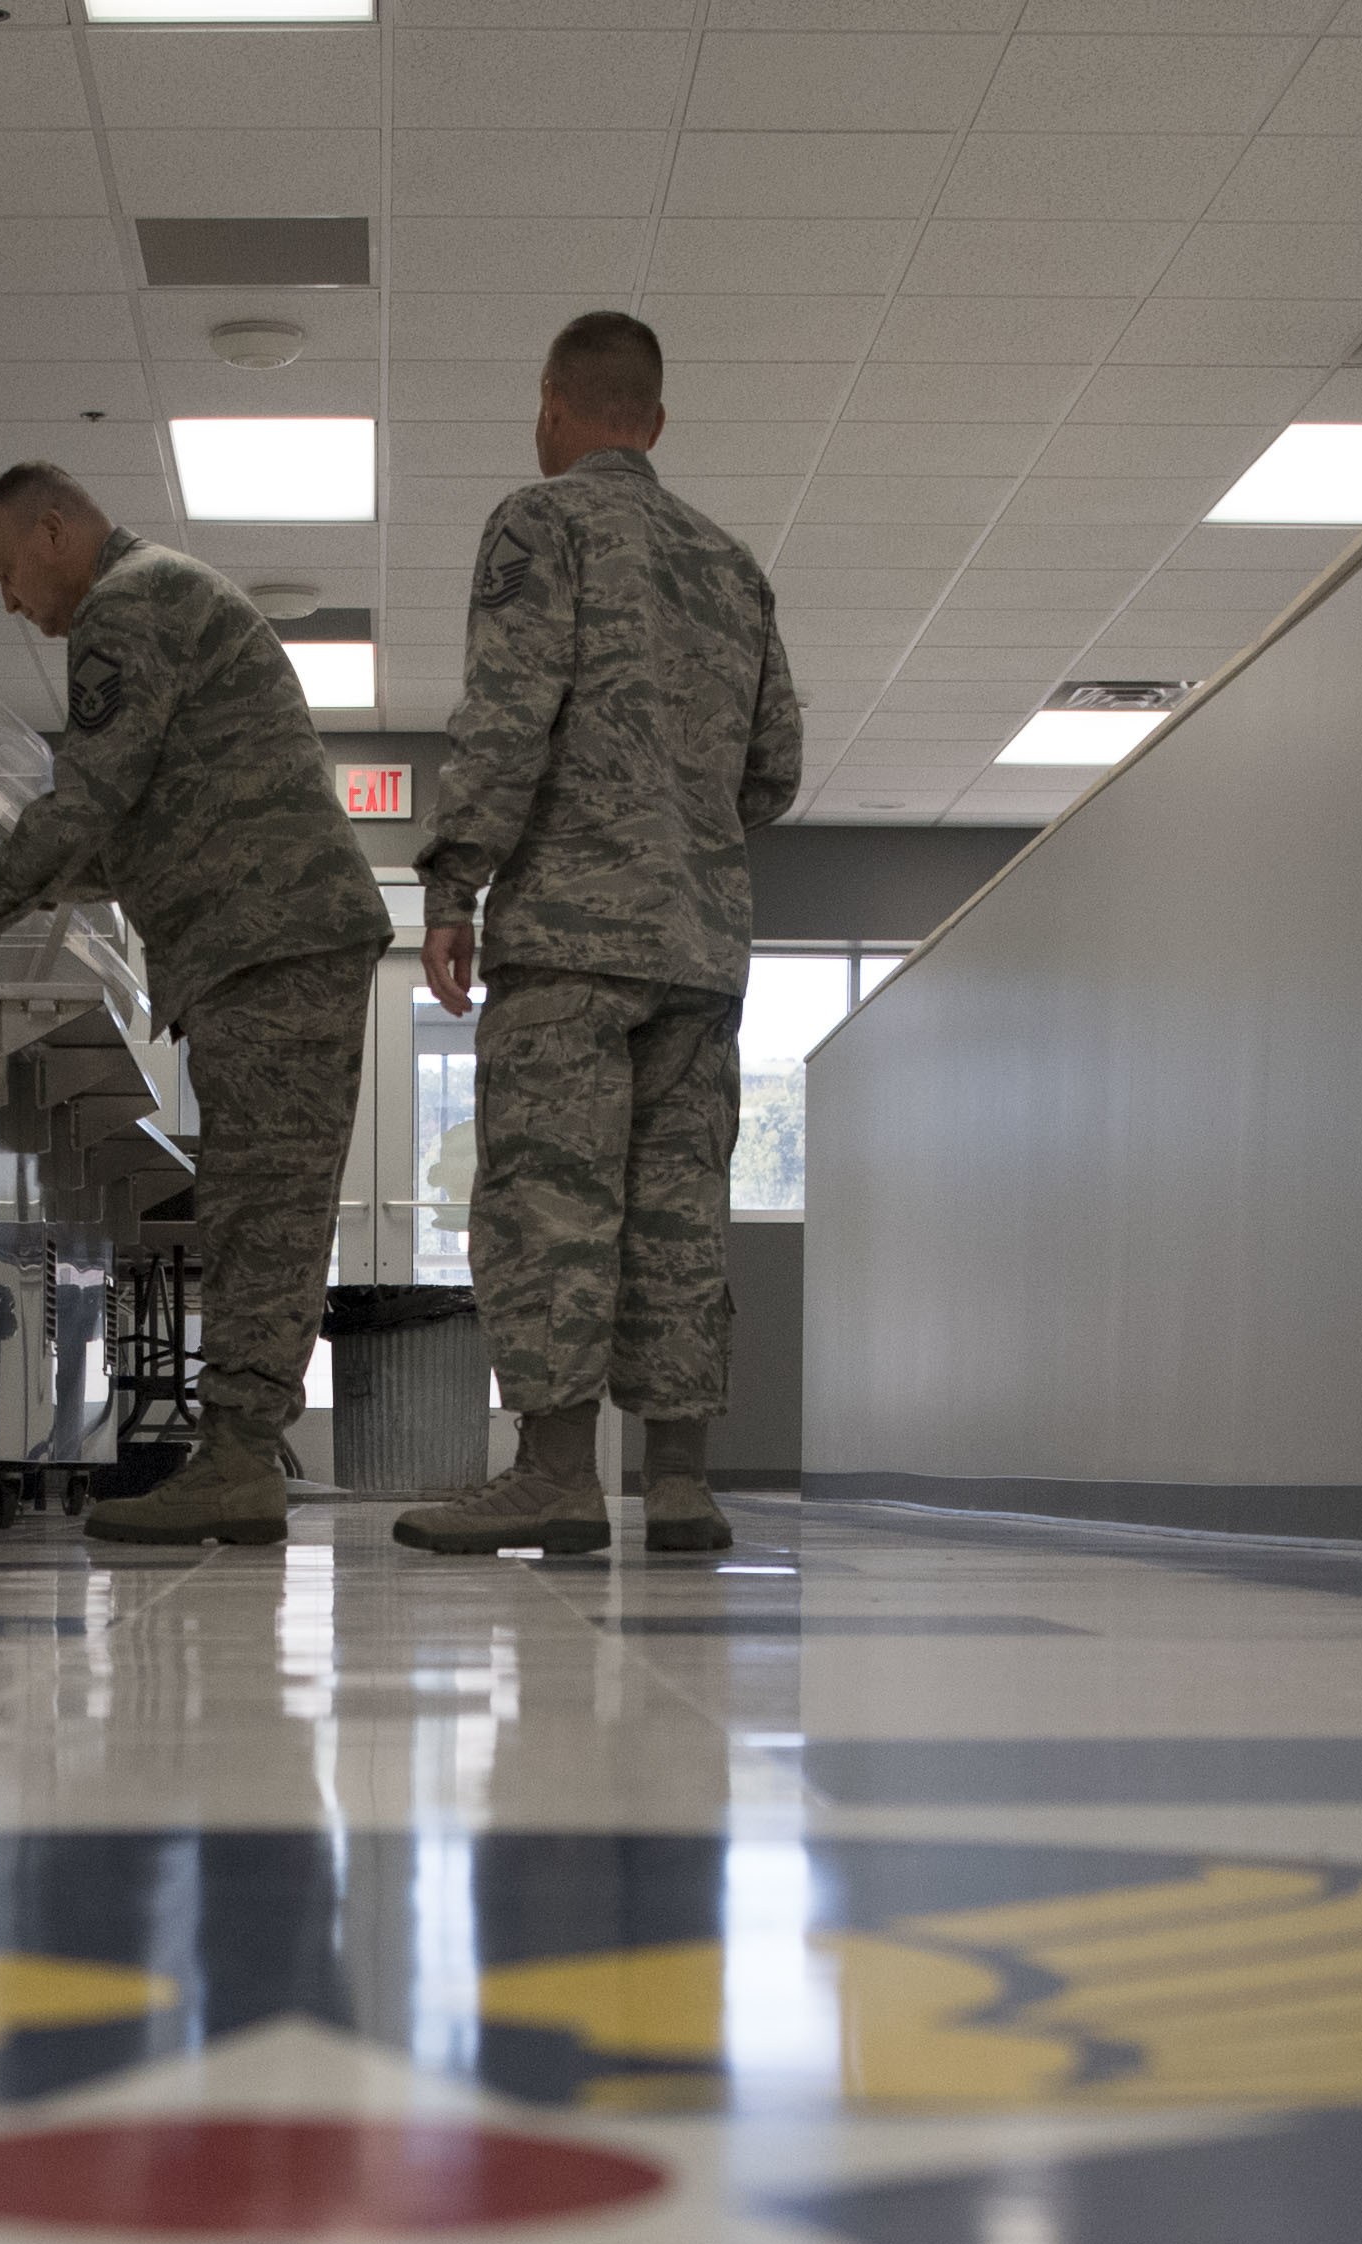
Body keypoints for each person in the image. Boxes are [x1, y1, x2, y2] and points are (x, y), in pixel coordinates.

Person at [0, 462, 392, 1549]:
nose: (7, 601)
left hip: (269, 941)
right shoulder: (161, 597)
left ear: (52, 529)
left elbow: (87, 798)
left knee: (259, 1207)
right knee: (260, 1199)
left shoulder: (123, 607)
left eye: (4, 571)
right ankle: (240, 1450)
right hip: (268, 938)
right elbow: (132, 822)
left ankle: (234, 1461)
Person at [398, 311, 804, 1558]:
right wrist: (682, 837)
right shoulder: (732, 563)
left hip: (572, 944)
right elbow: (775, 769)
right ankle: (680, 1486)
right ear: (659, 421)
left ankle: (558, 1477)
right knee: (679, 1210)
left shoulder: (543, 521)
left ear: (551, 405)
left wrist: (456, 883)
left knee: (552, 1205)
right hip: (699, 954)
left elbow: (509, 715)